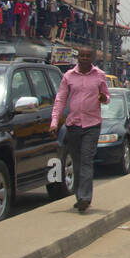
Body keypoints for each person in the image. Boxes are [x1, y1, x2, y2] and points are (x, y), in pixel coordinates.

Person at [50, 48, 110, 212]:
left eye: (87, 56)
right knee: (76, 163)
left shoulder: (99, 75)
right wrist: (54, 122)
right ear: (77, 57)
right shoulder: (68, 76)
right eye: (81, 56)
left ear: (92, 58)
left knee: (86, 160)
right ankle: (79, 196)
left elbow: (106, 96)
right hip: (73, 125)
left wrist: (104, 98)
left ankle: (85, 198)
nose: (84, 58)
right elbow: (60, 99)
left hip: (92, 125)